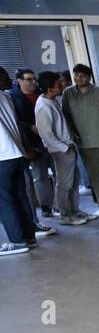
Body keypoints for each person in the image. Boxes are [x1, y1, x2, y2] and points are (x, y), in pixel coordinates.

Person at [62, 64, 99, 218]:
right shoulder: (68, 94)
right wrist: (72, 132)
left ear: (89, 77)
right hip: (83, 143)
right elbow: (66, 116)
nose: (78, 78)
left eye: (82, 75)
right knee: (94, 175)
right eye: (76, 75)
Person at [34, 72, 86, 227]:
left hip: (67, 146)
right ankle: (65, 215)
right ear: (50, 88)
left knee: (74, 180)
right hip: (61, 150)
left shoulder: (52, 100)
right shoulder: (43, 105)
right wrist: (64, 148)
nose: (62, 86)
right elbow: (46, 134)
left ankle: (75, 211)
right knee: (64, 184)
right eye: (58, 84)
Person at [10, 68, 54, 223]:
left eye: (34, 79)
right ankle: (46, 206)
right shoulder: (13, 98)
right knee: (39, 175)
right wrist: (30, 128)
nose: (33, 82)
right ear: (19, 81)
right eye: (29, 79)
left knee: (58, 172)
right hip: (32, 142)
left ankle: (58, 204)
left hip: (51, 138)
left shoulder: (42, 94)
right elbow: (15, 121)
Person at [0, 87, 40, 255]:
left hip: (2, 156)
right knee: (20, 197)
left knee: (5, 201)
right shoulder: (4, 95)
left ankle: (17, 241)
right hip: (17, 153)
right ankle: (29, 237)